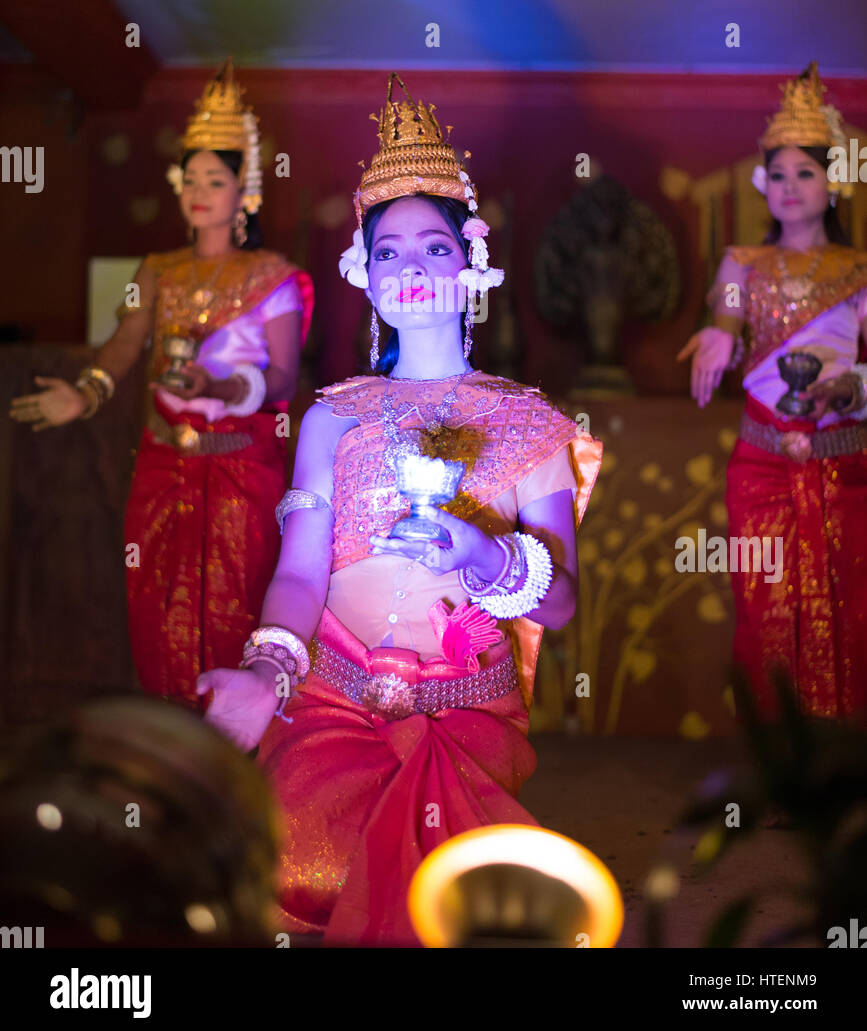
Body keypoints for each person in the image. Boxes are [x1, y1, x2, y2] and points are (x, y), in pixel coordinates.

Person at [198, 74, 603, 946]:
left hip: (466, 707)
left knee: (447, 890)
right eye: (388, 252)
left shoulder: (530, 423)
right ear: (365, 275)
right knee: (299, 866)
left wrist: (486, 559)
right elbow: (303, 568)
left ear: (472, 262)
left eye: (432, 248)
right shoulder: (332, 414)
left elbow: (563, 602)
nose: (410, 268)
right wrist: (267, 679)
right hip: (334, 689)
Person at [10, 63, 313, 707]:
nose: (198, 191)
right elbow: (123, 345)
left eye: (215, 179)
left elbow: (283, 379)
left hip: (241, 474)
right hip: (162, 468)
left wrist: (222, 386)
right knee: (157, 611)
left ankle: (238, 748)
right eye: (190, 178)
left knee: (239, 607)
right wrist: (86, 392)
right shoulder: (157, 270)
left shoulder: (274, 278)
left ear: (245, 191)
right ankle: (172, 748)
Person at [678, 63, 867, 721]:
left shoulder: (858, 271)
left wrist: (846, 388)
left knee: (849, 605)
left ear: (832, 181)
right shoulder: (741, 261)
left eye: (805, 173)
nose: (789, 187)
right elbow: (727, 314)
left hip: (844, 460)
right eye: (778, 175)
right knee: (766, 601)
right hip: (761, 459)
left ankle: (841, 766)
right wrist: (715, 336)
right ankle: (778, 763)